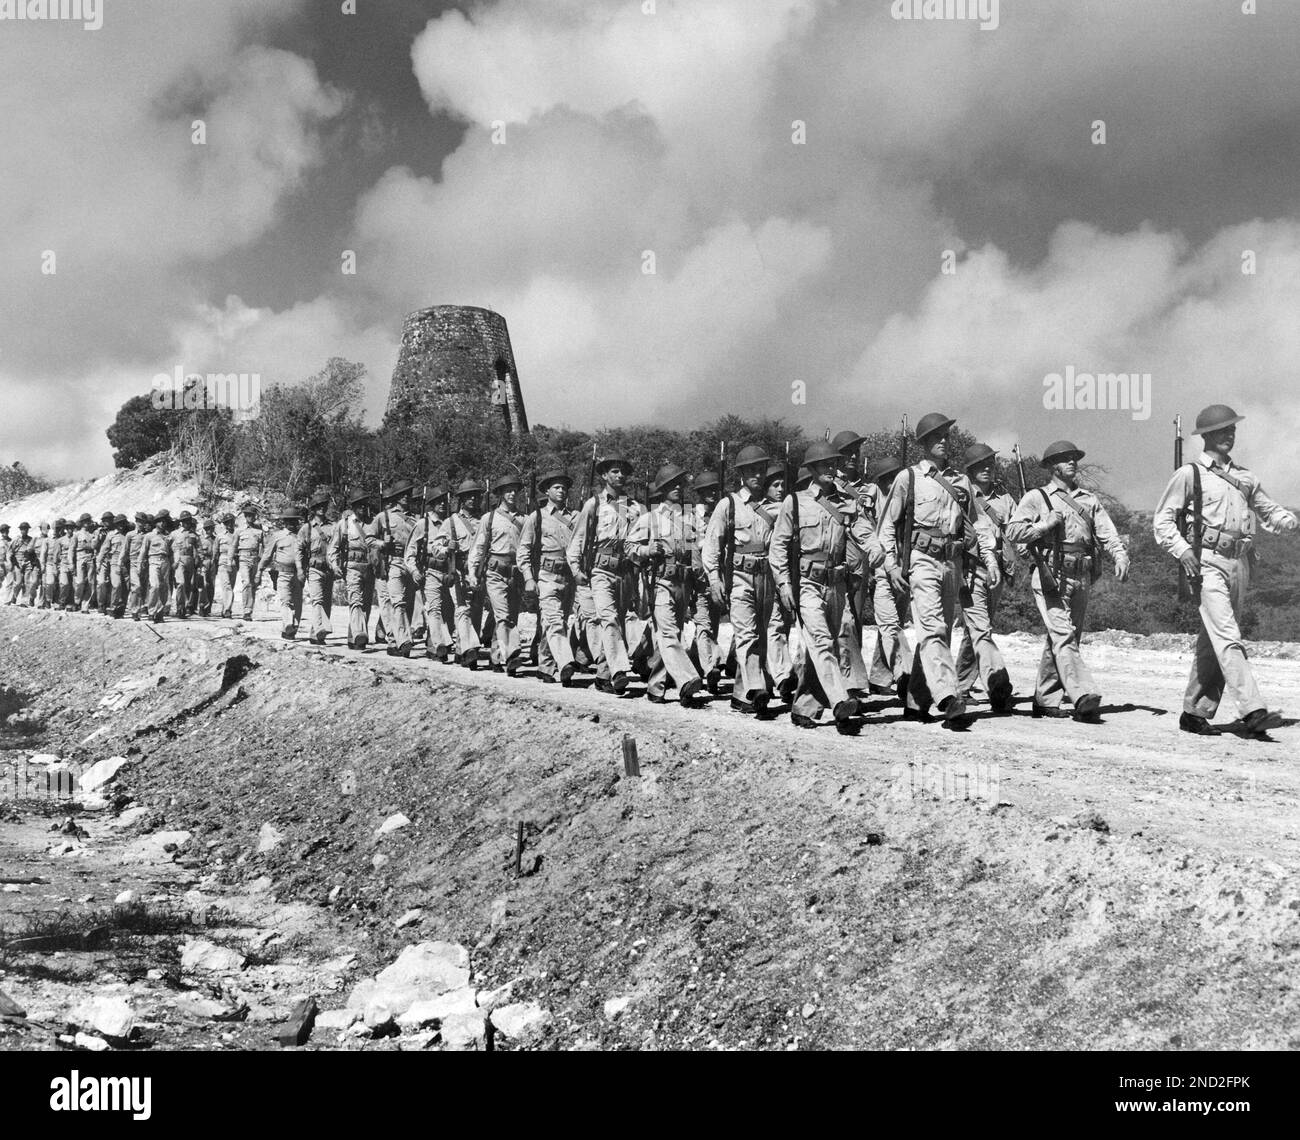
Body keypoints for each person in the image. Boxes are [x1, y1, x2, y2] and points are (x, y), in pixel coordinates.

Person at [1154, 405, 1297, 736]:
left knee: (1213, 640)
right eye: (1221, 430)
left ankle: (1194, 712)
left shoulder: (1246, 477)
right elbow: (1162, 520)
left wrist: (1292, 523)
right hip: (1205, 563)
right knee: (1228, 636)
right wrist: (1184, 550)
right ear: (1205, 436)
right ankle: (1252, 709)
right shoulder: (1189, 474)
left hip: (1240, 564)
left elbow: (1269, 511)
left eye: (1232, 429)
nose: (1229, 435)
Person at [880, 413, 998, 728]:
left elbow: (980, 526)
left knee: (939, 632)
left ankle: (916, 702)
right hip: (920, 559)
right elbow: (887, 527)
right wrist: (892, 565)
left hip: (952, 563)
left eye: (946, 435)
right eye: (936, 436)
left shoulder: (961, 482)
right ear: (924, 444)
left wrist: (990, 559)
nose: (943, 440)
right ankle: (948, 695)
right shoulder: (909, 478)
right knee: (932, 629)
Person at [1004, 439, 1130, 722]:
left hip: (1082, 573)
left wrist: (1120, 556)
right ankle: (1083, 693)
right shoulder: (1037, 498)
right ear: (1051, 466)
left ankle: (1045, 699)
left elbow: (1107, 532)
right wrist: (1044, 524)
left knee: (1063, 638)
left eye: (1074, 457)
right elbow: (1013, 531)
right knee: (1064, 635)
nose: (1071, 462)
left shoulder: (1088, 499)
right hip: (1052, 574)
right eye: (1064, 459)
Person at [771, 441, 877, 732]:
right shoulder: (795, 502)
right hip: (806, 582)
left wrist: (884, 557)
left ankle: (804, 706)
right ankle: (839, 699)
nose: (831, 469)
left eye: (833, 464)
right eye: (824, 465)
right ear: (813, 469)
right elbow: (778, 546)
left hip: (836, 584)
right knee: (820, 642)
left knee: (822, 646)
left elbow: (865, 535)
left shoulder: (847, 502)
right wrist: (783, 584)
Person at [704, 444, 778, 716]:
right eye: (751, 470)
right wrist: (714, 579)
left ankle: (741, 694)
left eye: (760, 469)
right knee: (746, 634)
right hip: (739, 576)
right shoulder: (729, 505)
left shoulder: (775, 506)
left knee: (760, 634)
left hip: (767, 574)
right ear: (742, 475)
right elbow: (712, 544)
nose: (757, 475)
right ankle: (757, 688)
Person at [631, 464, 707, 706]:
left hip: (684, 583)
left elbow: (695, 551)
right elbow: (628, 547)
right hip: (660, 581)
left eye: (680, 483)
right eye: (671, 484)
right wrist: (646, 549)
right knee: (667, 632)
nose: (677, 487)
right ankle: (688, 679)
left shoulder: (690, 516)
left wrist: (700, 581)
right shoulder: (650, 518)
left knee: (674, 634)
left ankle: (656, 687)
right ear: (662, 489)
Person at [567, 453, 641, 695]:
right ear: (604, 475)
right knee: (608, 619)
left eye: (622, 472)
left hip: (625, 570)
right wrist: (576, 569)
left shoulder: (633, 506)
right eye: (614, 471)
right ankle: (620, 669)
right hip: (600, 570)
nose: (619, 476)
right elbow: (578, 539)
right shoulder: (594, 504)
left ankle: (603, 676)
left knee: (617, 622)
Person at [953, 444, 1015, 712]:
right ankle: (997, 684)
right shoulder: (960, 494)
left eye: (990, 463)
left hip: (997, 570)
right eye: (981, 465)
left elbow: (1015, 529)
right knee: (981, 628)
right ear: (970, 470)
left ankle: (960, 685)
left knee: (977, 628)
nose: (987, 468)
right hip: (971, 568)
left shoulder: (1005, 498)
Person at [517, 469, 579, 685]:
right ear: (547, 491)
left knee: (556, 622)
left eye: (564, 487)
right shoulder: (538, 517)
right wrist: (528, 577)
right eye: (556, 487)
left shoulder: (576, 517)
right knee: (553, 620)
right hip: (546, 575)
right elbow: (523, 550)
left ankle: (545, 667)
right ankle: (565, 663)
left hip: (569, 575)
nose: (561, 491)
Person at [470, 475, 526, 674]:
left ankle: (496, 657)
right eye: (507, 490)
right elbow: (478, 547)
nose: (512, 494)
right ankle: (512, 655)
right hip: (495, 572)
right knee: (503, 616)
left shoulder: (524, 519)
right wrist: (473, 572)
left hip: (516, 573)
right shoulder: (489, 518)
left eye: (514, 490)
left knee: (508, 616)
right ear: (500, 494)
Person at [405, 485, 456, 661]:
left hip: (449, 573)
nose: (442, 505)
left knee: (448, 611)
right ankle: (439, 646)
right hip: (430, 571)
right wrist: (414, 571)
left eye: (444, 502)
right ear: (431, 504)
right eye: (437, 502)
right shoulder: (422, 525)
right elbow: (410, 552)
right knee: (434, 608)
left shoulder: (451, 523)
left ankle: (432, 644)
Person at [443, 479, 487, 669]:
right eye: (468, 496)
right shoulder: (451, 521)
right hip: (459, 570)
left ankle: (463, 650)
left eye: (475, 496)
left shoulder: (485, 521)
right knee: (462, 610)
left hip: (479, 570)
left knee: (476, 612)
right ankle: (469, 648)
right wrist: (446, 547)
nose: (472, 499)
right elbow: (437, 545)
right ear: (461, 499)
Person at [374, 481, 417, 657]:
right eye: (402, 494)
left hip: (411, 563)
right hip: (393, 562)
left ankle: (393, 642)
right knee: (397, 602)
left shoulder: (416, 519)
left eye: (408, 493)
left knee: (409, 604)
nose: (406, 497)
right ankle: (404, 640)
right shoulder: (384, 517)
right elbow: (369, 538)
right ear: (396, 498)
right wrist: (382, 543)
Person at [337, 492, 377, 649]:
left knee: (366, 603)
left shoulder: (373, 523)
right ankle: (360, 632)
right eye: (359, 504)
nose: (362, 507)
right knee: (356, 600)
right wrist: (335, 565)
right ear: (353, 507)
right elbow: (335, 546)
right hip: (352, 566)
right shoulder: (345, 524)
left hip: (369, 566)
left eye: (364, 504)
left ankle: (353, 638)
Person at [258, 508, 304, 639]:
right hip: (283, 573)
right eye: (289, 521)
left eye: (294, 521)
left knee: (297, 604)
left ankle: (290, 630)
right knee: (286, 601)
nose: (292, 524)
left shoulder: (302, 536)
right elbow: (267, 556)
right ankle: (289, 623)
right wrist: (259, 571)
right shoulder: (277, 536)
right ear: (284, 522)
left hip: (298, 574)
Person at [300, 494, 335, 645]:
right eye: (318, 506)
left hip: (329, 568)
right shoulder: (306, 528)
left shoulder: (333, 527)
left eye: (324, 505)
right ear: (313, 509)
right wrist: (300, 569)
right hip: (314, 568)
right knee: (317, 600)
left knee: (326, 602)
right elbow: (299, 550)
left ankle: (316, 635)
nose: (322, 508)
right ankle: (321, 627)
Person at [141, 511, 175, 623]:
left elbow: (171, 552)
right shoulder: (149, 536)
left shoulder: (168, 537)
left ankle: (159, 613)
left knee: (164, 587)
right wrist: (140, 564)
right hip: (153, 561)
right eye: (160, 521)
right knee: (154, 586)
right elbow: (143, 551)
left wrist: (173, 563)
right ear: (156, 523)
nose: (162, 523)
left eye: (164, 521)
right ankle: (151, 611)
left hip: (165, 561)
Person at [234, 504, 264, 621]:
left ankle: (249, 610)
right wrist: (230, 560)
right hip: (243, 558)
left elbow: (264, 546)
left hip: (255, 558)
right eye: (247, 516)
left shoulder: (259, 531)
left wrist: (262, 560)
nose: (250, 518)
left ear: (255, 516)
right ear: (245, 517)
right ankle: (246, 610)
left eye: (252, 515)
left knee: (253, 584)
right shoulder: (239, 530)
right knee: (246, 582)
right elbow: (233, 546)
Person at [171, 511, 201, 618]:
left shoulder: (194, 535)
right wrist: (172, 561)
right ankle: (180, 607)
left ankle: (188, 606)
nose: (186, 523)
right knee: (181, 583)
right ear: (181, 522)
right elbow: (167, 546)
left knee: (189, 585)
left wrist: (198, 559)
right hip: (179, 559)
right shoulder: (175, 533)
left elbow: (199, 548)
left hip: (190, 559)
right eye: (184, 521)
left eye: (188, 520)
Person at [214, 513, 238, 619]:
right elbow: (215, 552)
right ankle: (228, 610)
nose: (229, 524)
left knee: (230, 587)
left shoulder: (238, 534)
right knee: (226, 585)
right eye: (227, 523)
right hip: (223, 562)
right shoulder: (220, 536)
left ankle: (224, 609)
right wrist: (214, 565)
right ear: (224, 524)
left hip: (234, 562)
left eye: (231, 522)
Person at [73, 513, 98, 611]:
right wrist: (71, 562)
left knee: (91, 582)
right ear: (82, 522)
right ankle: (77, 601)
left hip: (90, 557)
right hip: (80, 557)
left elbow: (94, 546)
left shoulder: (92, 534)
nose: (87, 523)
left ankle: (85, 605)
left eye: (88, 520)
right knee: (79, 581)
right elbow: (72, 549)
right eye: (85, 521)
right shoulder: (77, 534)